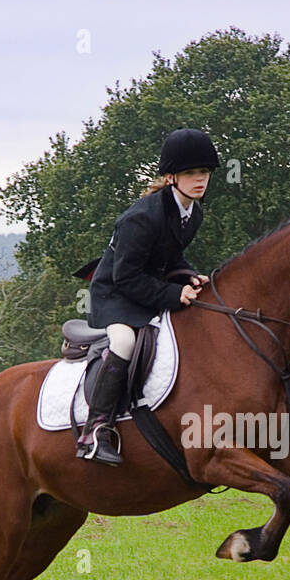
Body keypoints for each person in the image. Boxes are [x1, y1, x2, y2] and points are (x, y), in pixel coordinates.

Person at [77, 128, 217, 464]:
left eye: (204, 173)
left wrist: (189, 275)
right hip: (115, 296)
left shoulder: (192, 212)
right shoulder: (141, 218)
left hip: (146, 291)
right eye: (190, 173)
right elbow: (125, 277)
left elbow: (170, 258)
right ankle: (95, 431)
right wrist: (173, 293)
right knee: (124, 343)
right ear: (171, 177)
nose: (199, 180)